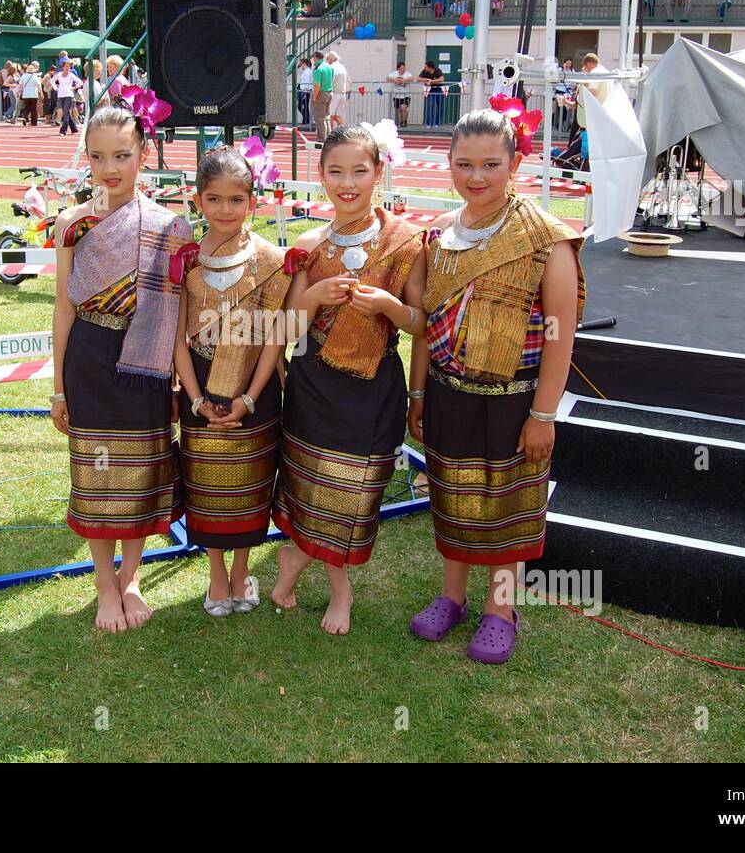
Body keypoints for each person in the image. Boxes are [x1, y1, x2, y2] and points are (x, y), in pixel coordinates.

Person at [407, 108, 582, 665]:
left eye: (489, 164)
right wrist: (417, 395)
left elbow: (560, 337)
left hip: (516, 402)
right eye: (463, 164)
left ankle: (501, 609)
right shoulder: (440, 236)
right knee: (454, 498)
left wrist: (545, 415)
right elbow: (422, 324)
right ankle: (452, 597)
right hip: (447, 394)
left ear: (515, 163)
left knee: (509, 509)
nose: (475, 176)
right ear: (449, 166)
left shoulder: (547, 240)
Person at [270, 124, 427, 635]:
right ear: (320, 177)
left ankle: (297, 564)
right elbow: (285, 328)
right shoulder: (310, 243)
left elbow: (422, 321)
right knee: (311, 487)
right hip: (312, 387)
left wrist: (390, 306)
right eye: (335, 171)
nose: (348, 182)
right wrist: (312, 299)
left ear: (378, 173)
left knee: (355, 493)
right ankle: (338, 588)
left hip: (373, 387)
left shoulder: (405, 241)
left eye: (359, 170)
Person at [50, 98, 191, 632]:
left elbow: (176, 314)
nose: (111, 169)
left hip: (147, 367)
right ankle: (104, 585)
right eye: (99, 157)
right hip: (90, 360)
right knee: (97, 476)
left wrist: (179, 381)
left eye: (123, 155)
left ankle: (130, 578)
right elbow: (64, 308)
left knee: (139, 476)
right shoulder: (71, 224)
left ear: (144, 154)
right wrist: (59, 387)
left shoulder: (171, 226)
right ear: (86, 159)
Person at [173, 146, 292, 616]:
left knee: (251, 481)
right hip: (199, 383)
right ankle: (217, 574)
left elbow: (274, 341)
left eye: (236, 200)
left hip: (256, 389)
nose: (226, 210)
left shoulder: (270, 260)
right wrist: (198, 400)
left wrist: (248, 397)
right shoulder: (184, 260)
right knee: (206, 484)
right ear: (198, 201)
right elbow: (177, 337)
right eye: (214, 199)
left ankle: (243, 570)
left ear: (253, 201)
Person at [309, 51, 332, 142]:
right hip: (329, 92)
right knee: (327, 116)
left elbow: (317, 85)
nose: (313, 59)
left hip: (321, 93)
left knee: (319, 117)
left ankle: (322, 138)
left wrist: (315, 96)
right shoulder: (329, 67)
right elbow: (332, 79)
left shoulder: (318, 69)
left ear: (316, 57)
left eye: (313, 57)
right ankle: (329, 137)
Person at [53, 60, 80, 136]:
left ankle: (63, 130)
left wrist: (74, 87)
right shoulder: (59, 74)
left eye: (69, 66)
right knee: (66, 113)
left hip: (69, 95)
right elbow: (52, 81)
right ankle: (74, 128)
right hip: (60, 95)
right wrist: (55, 88)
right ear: (63, 67)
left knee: (66, 112)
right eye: (66, 66)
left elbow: (80, 82)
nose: (67, 68)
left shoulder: (71, 75)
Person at [387, 61, 414, 127]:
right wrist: (395, 80)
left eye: (404, 68)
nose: (403, 70)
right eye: (402, 68)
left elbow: (412, 78)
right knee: (400, 109)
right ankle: (401, 121)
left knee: (403, 108)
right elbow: (387, 78)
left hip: (406, 95)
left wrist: (403, 80)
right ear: (398, 69)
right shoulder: (394, 73)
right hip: (397, 95)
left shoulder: (407, 74)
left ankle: (404, 121)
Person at [326, 51, 349, 129]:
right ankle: (344, 129)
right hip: (343, 93)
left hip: (335, 93)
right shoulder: (342, 66)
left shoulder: (332, 67)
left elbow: (330, 80)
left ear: (331, 59)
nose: (327, 60)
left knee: (330, 115)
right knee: (338, 115)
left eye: (327, 58)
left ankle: (329, 133)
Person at [419, 60, 445, 127]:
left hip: (439, 89)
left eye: (426, 67)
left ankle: (437, 123)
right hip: (430, 90)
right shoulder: (424, 71)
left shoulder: (438, 70)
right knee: (430, 106)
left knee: (440, 107)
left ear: (430, 68)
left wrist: (432, 81)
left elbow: (441, 79)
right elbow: (418, 78)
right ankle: (429, 123)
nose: (425, 68)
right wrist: (427, 80)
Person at [296, 57, 313, 127]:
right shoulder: (305, 71)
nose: (301, 66)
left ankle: (306, 119)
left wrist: (306, 91)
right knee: (302, 106)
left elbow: (307, 82)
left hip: (304, 91)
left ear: (305, 64)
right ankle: (305, 119)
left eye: (301, 64)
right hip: (302, 90)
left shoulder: (308, 71)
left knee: (303, 106)